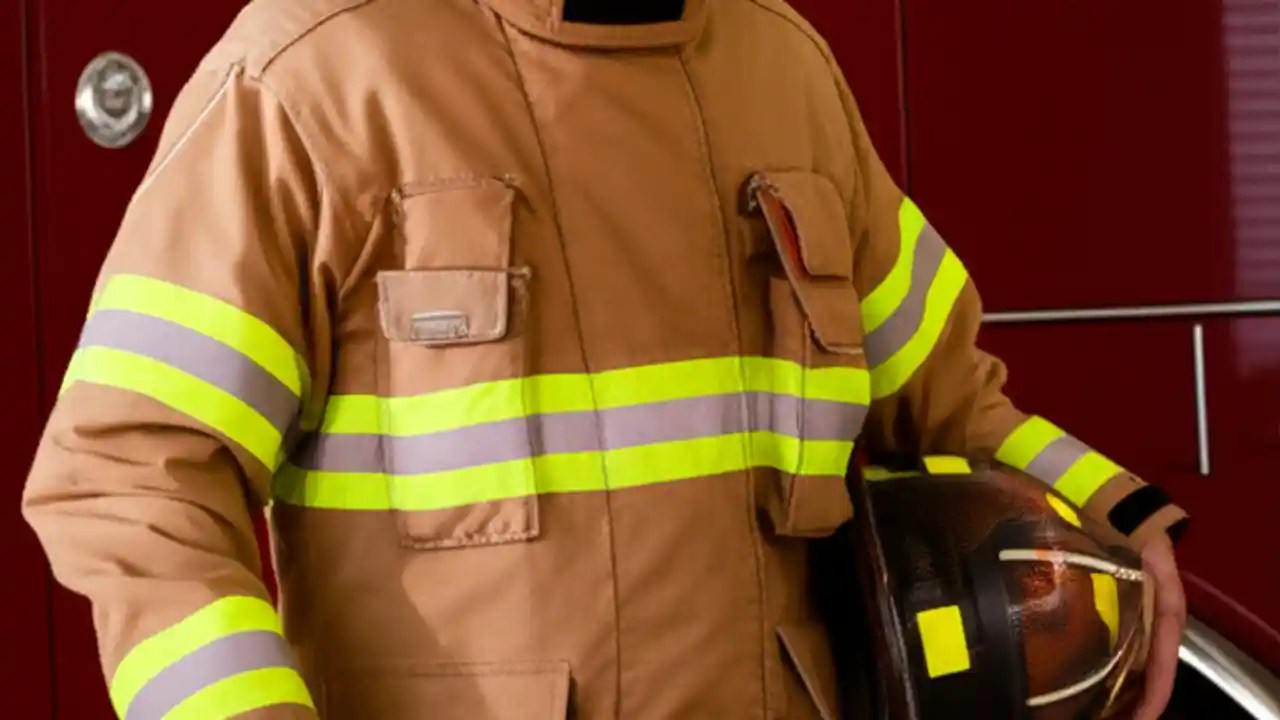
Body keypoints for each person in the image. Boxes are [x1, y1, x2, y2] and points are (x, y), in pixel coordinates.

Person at [21, 0, 1188, 718]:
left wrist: (1112, 515)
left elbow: (942, 393)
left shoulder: (781, 70)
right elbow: (131, 481)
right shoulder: (314, 80)